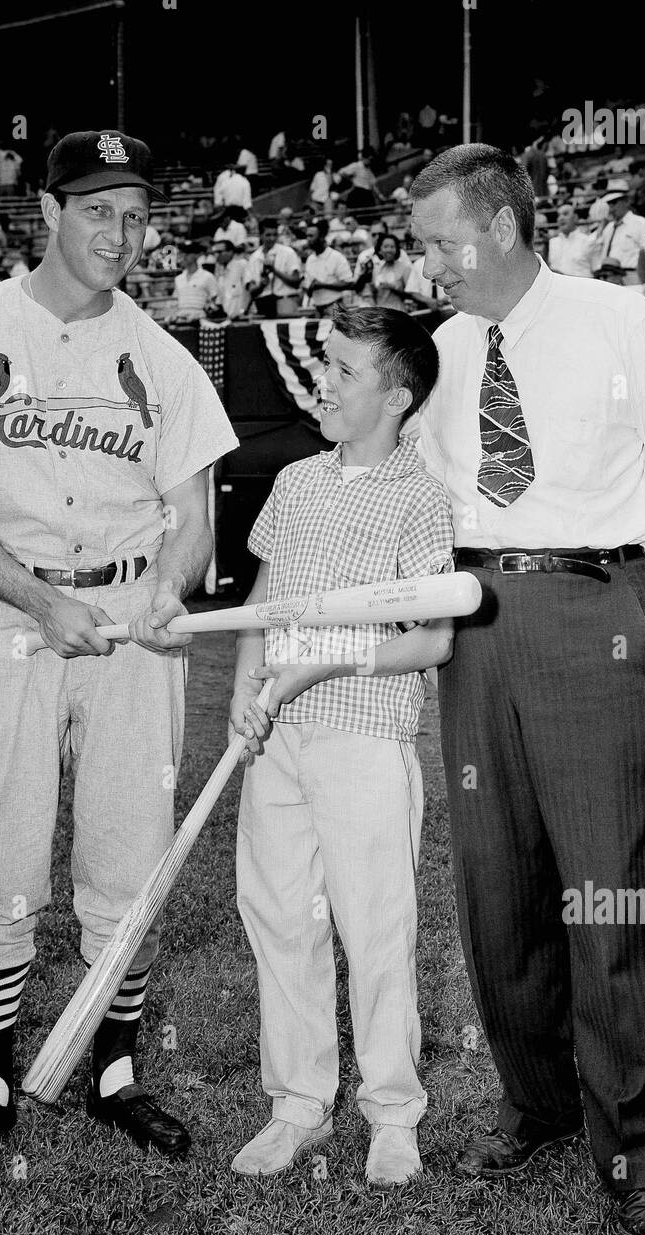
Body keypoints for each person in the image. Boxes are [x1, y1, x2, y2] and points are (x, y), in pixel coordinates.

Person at [0, 129, 238, 1165]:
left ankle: (117, 1069)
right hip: (12, 626)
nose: (121, 234)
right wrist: (38, 599)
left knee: (131, 851)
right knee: (2, 847)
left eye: (134, 215)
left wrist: (167, 591)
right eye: (96, 210)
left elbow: (193, 517)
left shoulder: (164, 359)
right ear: (46, 209)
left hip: (132, 627)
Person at [410, 143, 645, 1235]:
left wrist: (640, 612)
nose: (429, 267)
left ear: (500, 226)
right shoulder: (441, 352)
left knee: (616, 896)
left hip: (596, 610)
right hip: (472, 628)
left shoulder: (617, 322)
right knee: (498, 893)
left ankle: (641, 1150)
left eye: (441, 242)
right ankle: (539, 1105)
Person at [229, 304, 455, 1185]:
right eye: (323, 362)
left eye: (343, 370)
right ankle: (297, 1106)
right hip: (277, 737)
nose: (322, 380)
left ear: (396, 397)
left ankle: (392, 1115)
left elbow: (433, 638)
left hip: (365, 738)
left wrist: (314, 670)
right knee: (281, 919)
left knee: (376, 925)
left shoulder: (420, 497)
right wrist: (249, 689)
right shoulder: (295, 481)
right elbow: (264, 603)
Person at [592, 183, 645, 283]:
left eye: (614, 203)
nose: (611, 208)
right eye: (609, 204)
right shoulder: (609, 228)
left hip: (630, 275)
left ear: (626, 201)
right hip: (608, 277)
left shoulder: (639, 223)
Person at [247, 219, 302, 318]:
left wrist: (274, 270)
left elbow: (296, 282)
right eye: (268, 235)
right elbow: (252, 290)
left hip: (285, 301)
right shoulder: (254, 257)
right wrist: (262, 285)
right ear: (260, 235)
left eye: (275, 235)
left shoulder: (288, 252)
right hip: (263, 303)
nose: (272, 238)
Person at [302, 220, 353, 316]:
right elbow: (309, 291)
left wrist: (322, 285)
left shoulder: (336, 256)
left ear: (321, 237)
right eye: (307, 236)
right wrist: (309, 287)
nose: (308, 239)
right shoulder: (310, 259)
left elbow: (348, 283)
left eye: (311, 236)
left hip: (334, 308)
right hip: (317, 309)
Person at [173, 240, 219, 319]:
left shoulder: (207, 276)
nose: (184, 256)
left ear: (196, 255)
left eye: (187, 253)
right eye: (182, 253)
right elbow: (176, 301)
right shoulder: (178, 278)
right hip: (181, 317)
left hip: (200, 319)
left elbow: (215, 300)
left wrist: (204, 313)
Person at [547, 203, 594, 278]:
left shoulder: (587, 241)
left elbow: (595, 270)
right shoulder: (552, 243)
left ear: (575, 217)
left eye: (565, 214)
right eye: (559, 215)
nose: (561, 218)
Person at [213, 239, 251, 319]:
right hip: (227, 319)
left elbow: (251, 289)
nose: (217, 255)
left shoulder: (241, 265)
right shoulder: (220, 275)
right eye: (215, 252)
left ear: (230, 252)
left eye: (220, 252)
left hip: (243, 318)